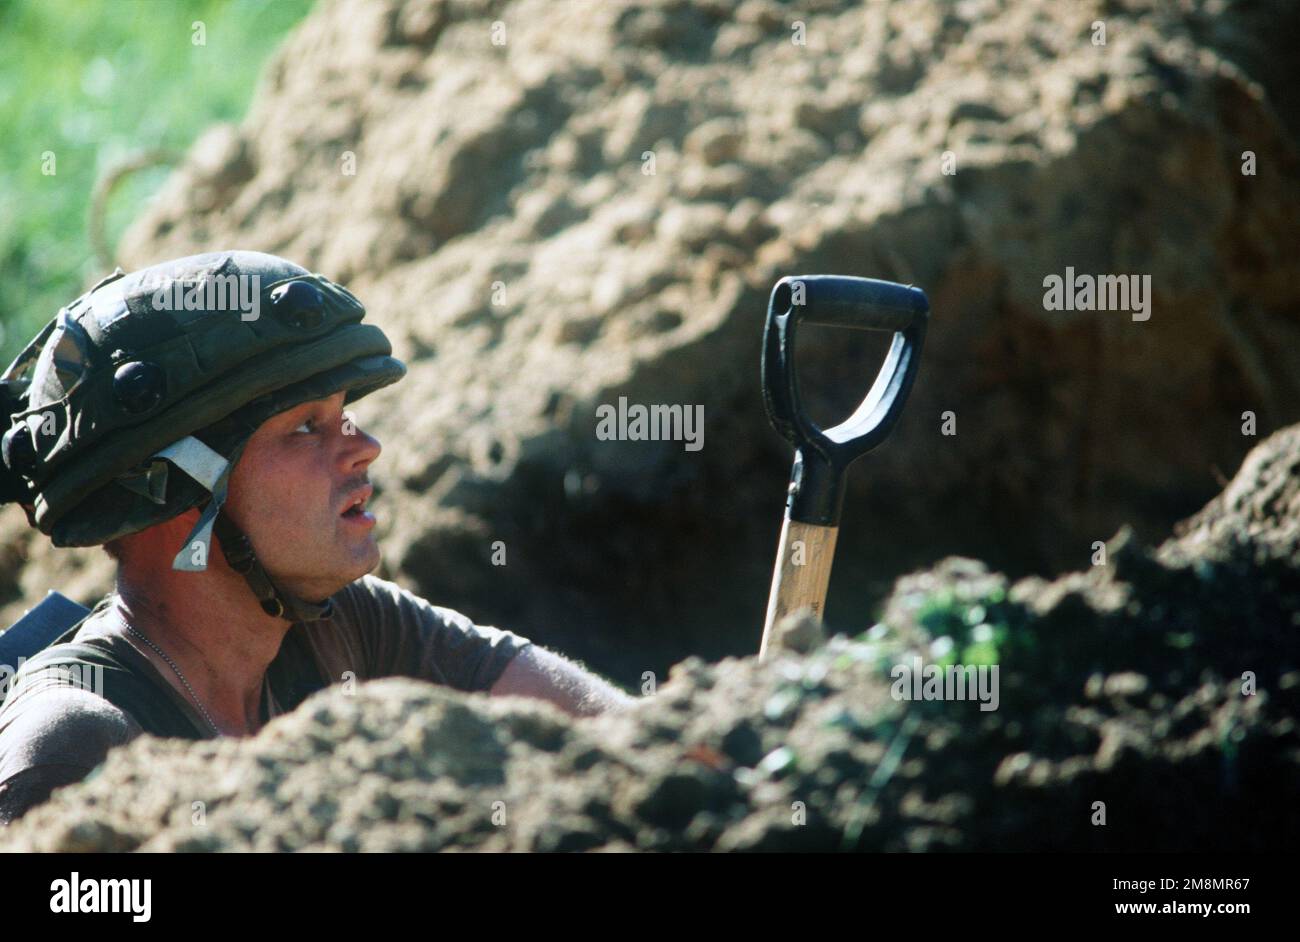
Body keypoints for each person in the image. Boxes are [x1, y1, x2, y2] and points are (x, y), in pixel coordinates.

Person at [0, 251, 634, 824]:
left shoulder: (345, 624)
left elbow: (627, 741)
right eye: (306, 427)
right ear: (176, 493)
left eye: (344, 415)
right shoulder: (71, 748)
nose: (365, 449)